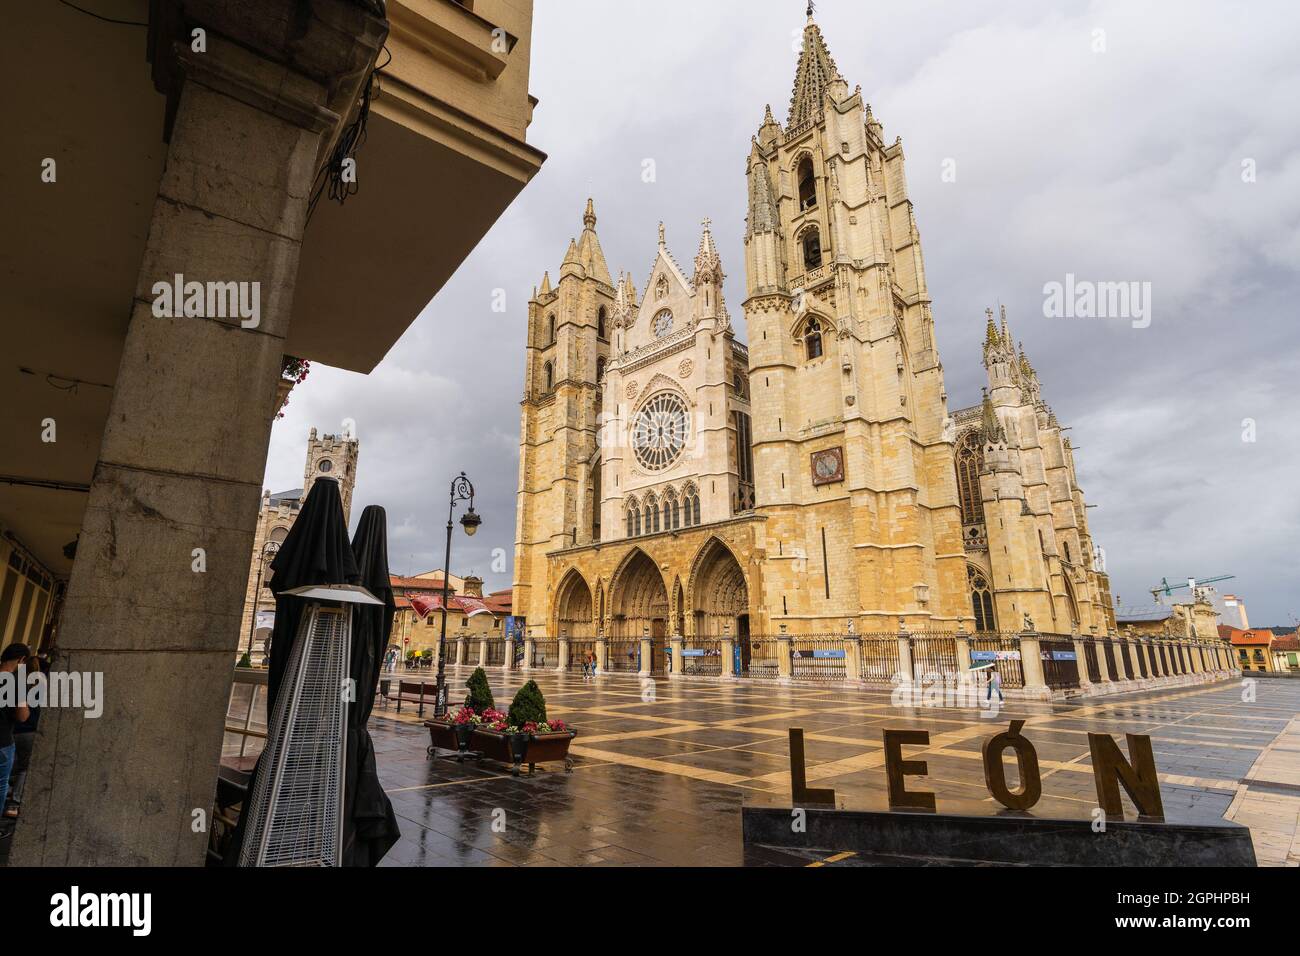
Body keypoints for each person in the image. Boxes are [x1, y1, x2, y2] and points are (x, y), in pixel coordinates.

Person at [5, 652, 44, 819]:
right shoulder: (40, 684)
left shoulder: (15, 682)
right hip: (29, 731)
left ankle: (6, 790)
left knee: (10, 765)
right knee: (24, 768)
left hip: (13, 730)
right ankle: (14, 803)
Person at [0, 644, 33, 815]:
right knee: (0, 785)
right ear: (21, 660)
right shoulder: (16, 683)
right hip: (3, 742)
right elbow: (22, 716)